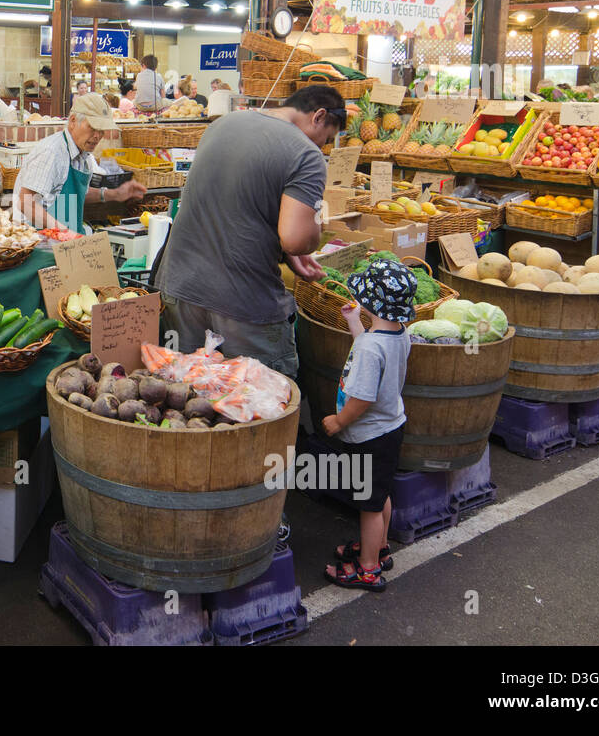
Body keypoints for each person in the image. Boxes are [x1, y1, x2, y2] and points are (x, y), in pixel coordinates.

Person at [154, 84, 347, 377]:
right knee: (258, 404)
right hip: (242, 303)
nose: (323, 146)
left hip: (179, 288)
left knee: (186, 398)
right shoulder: (306, 154)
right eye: (327, 138)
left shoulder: (223, 124)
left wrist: (283, 252)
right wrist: (311, 237)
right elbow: (296, 238)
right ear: (319, 116)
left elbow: (237, 206)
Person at [321, 258, 418, 592]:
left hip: (369, 436)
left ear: (369, 300)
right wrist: (354, 322)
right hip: (391, 428)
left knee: (368, 505)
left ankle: (367, 569)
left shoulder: (368, 347)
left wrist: (338, 421)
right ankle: (379, 548)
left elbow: (361, 398)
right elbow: (376, 351)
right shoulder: (398, 335)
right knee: (380, 496)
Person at [14, 93, 147, 233]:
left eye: (101, 130)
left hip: (64, 240)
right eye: (92, 127)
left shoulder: (84, 156)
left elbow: (77, 193)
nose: (97, 136)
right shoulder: (51, 152)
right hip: (36, 240)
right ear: (72, 121)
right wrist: (64, 232)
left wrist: (115, 194)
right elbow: (26, 203)